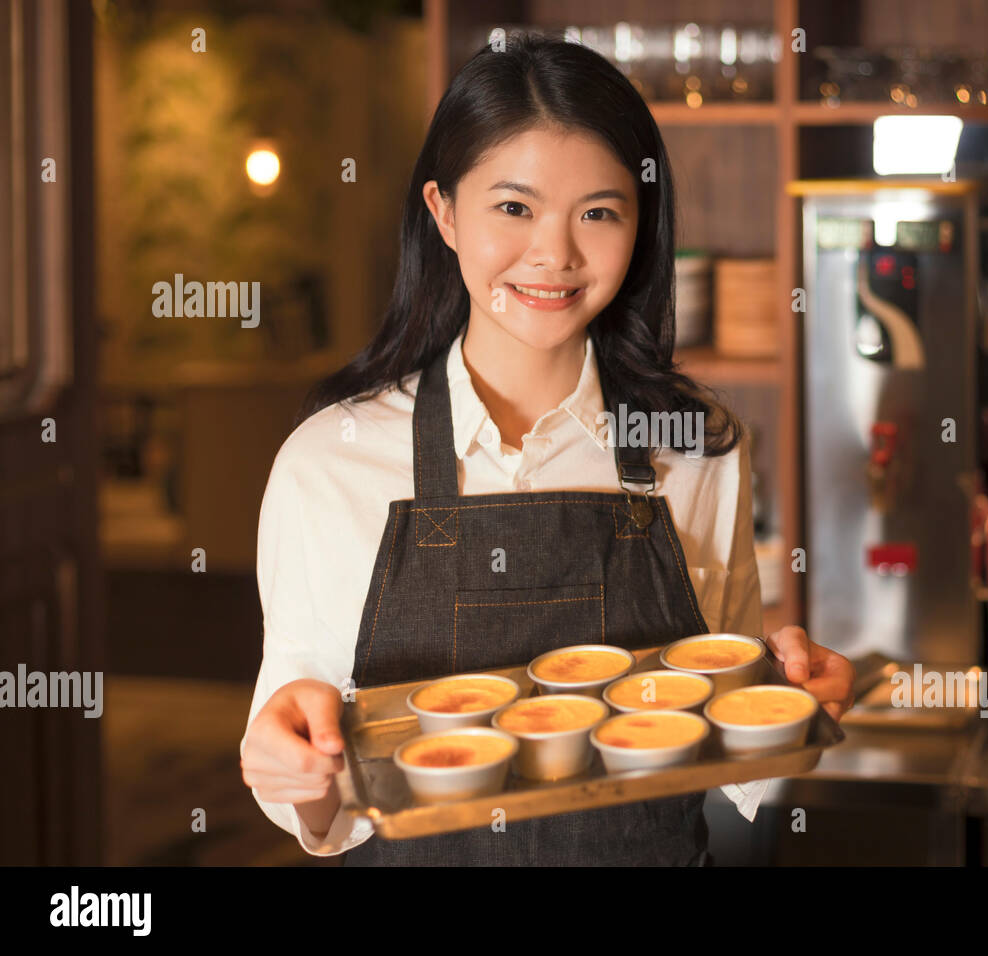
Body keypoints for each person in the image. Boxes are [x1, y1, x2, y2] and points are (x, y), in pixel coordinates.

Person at [240, 31, 855, 866]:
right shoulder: (328, 463)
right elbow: (318, 801)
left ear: (642, 224)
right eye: (514, 207)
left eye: (599, 212)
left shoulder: (696, 450)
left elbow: (732, 746)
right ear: (444, 213)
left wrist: (796, 701)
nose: (556, 254)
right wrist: (295, 767)